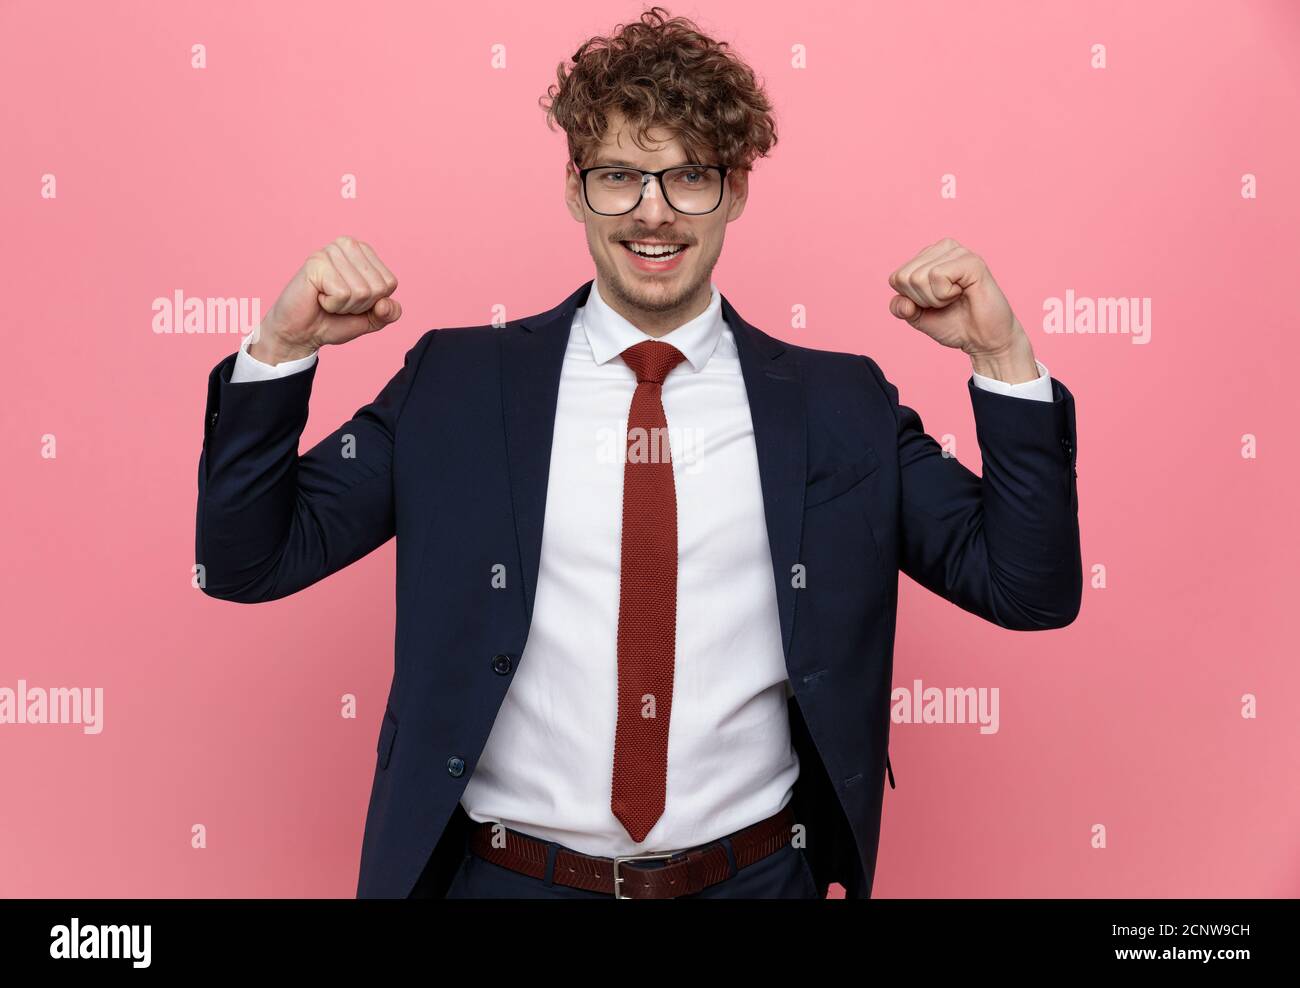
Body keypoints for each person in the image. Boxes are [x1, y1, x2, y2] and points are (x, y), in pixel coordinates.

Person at [195, 7, 1080, 899]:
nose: (652, 212)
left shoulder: (840, 403)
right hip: (505, 881)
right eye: (620, 175)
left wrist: (1001, 363)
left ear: (735, 190)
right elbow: (248, 561)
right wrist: (279, 350)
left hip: (755, 880)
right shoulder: (456, 386)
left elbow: (1027, 589)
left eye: (689, 176)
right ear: (576, 188)